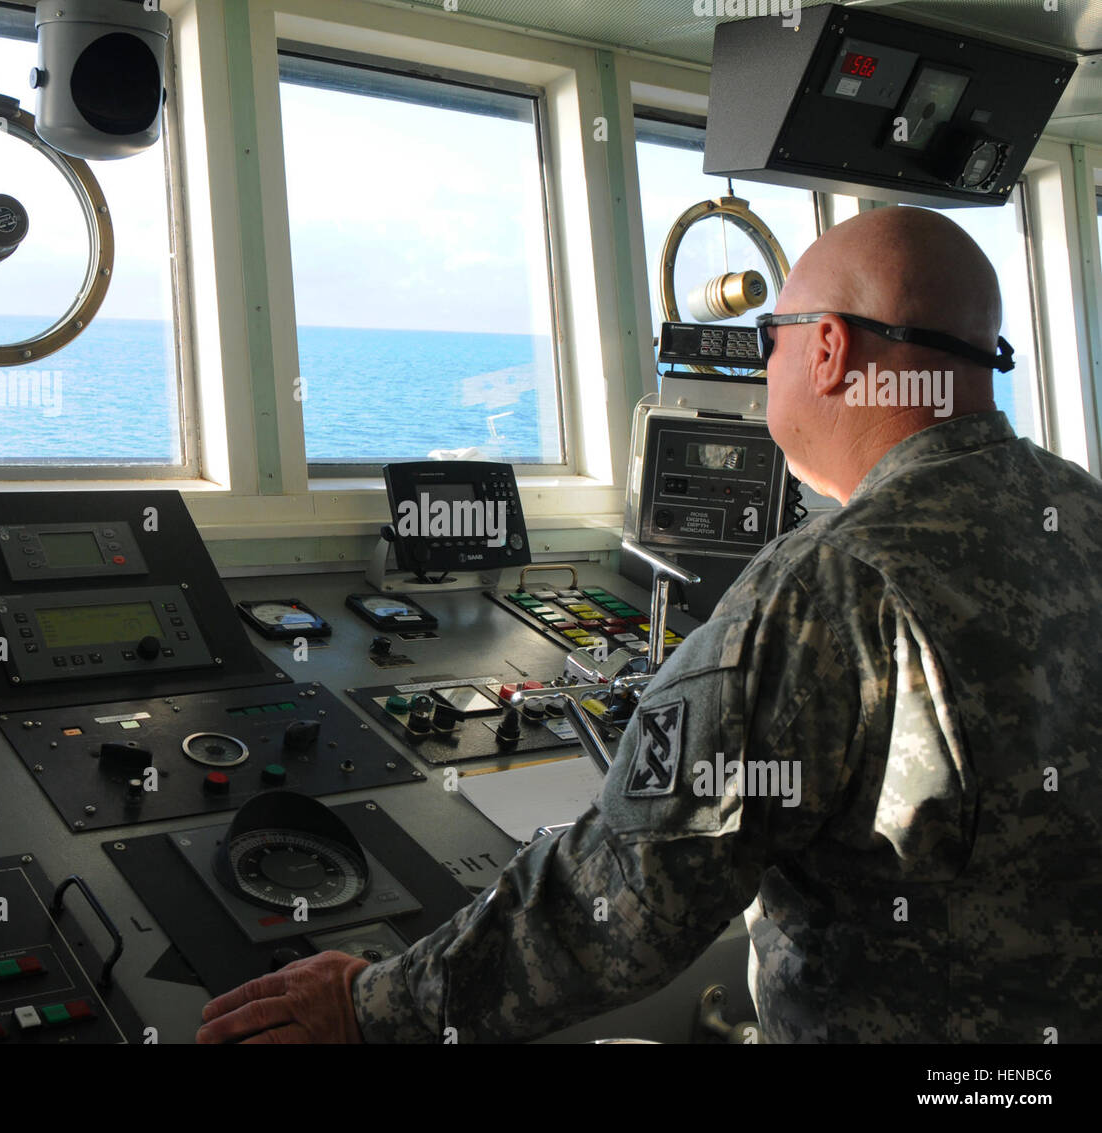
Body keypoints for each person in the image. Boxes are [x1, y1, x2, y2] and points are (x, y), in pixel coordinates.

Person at [195, 206, 1102, 1044]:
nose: (765, 363)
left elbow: (625, 900)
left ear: (829, 350)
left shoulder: (828, 582)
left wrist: (373, 1006)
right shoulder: (1086, 515)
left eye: (768, 338)